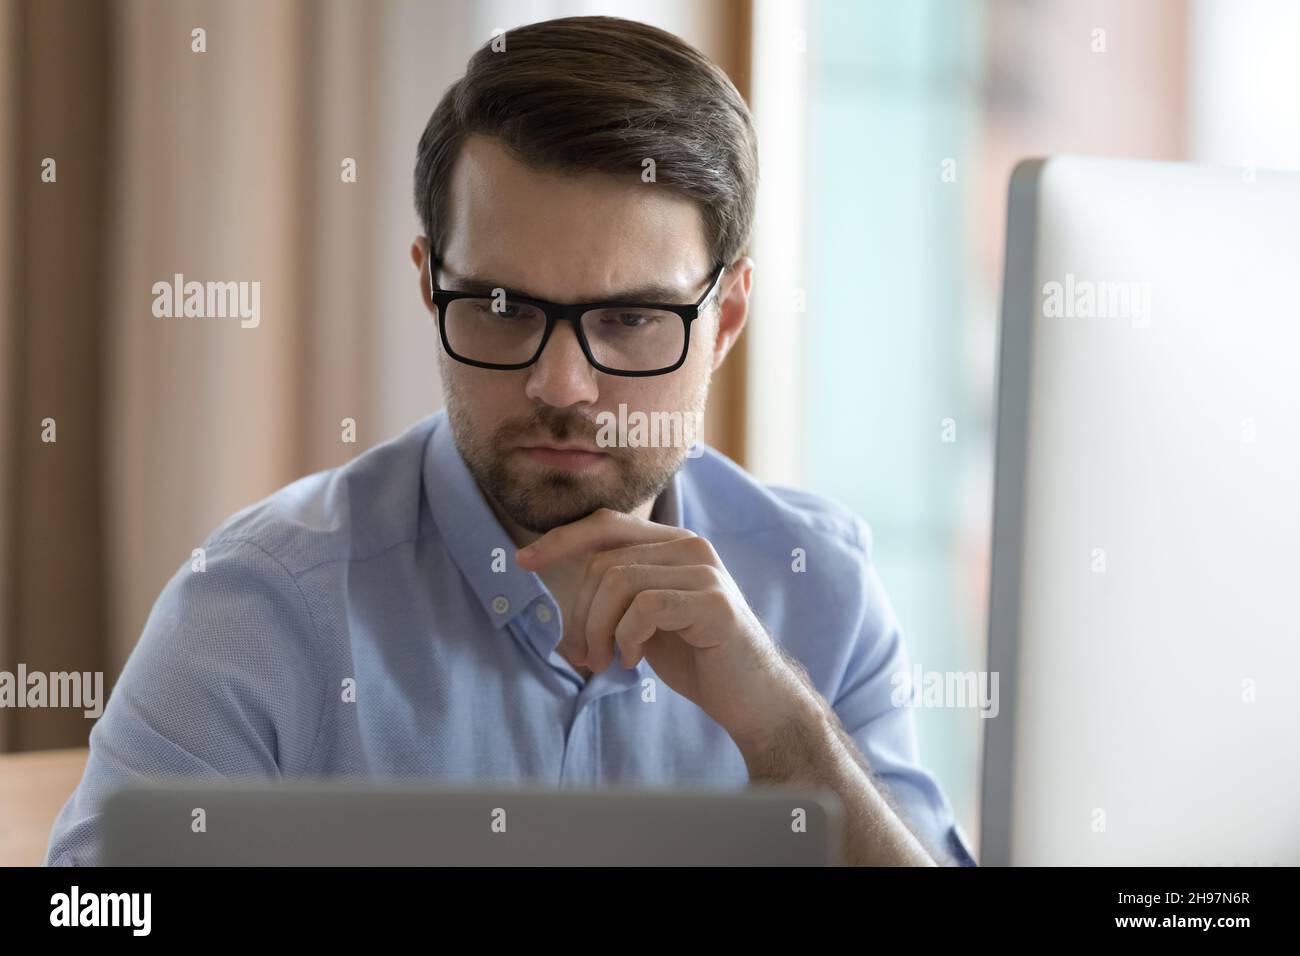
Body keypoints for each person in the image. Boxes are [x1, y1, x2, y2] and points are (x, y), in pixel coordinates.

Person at [46, 15, 976, 867]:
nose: (562, 385)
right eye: (499, 307)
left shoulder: (825, 591)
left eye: (629, 319)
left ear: (726, 317)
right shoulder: (260, 608)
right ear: (428, 284)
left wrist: (785, 732)